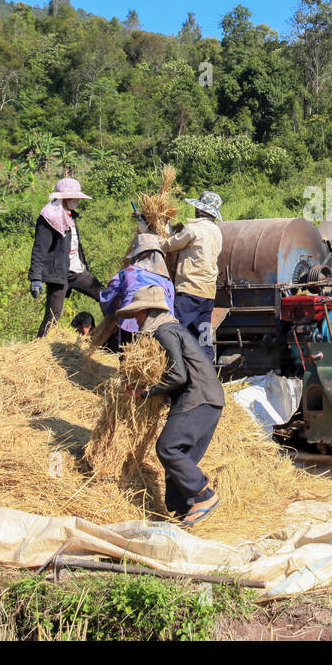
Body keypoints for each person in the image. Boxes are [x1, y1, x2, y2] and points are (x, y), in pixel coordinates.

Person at [126, 286, 224, 525]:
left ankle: (204, 494)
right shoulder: (174, 329)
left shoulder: (164, 331)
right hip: (210, 400)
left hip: (197, 397)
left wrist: (145, 393)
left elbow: (178, 376)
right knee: (178, 466)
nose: (135, 320)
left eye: (137, 314)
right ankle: (183, 514)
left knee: (168, 448)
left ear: (147, 311)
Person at [29, 177, 104, 337]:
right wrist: (35, 278)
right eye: (74, 197)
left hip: (77, 270)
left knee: (105, 296)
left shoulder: (70, 216)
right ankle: (40, 348)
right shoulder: (49, 218)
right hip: (58, 273)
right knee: (53, 315)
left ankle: (107, 336)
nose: (77, 201)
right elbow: (39, 249)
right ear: (64, 198)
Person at [157, 191, 223, 362]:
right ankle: (208, 371)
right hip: (208, 293)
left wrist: (157, 235)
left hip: (189, 290)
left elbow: (169, 245)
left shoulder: (193, 229)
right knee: (203, 336)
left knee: (174, 329)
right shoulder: (217, 232)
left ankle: (172, 367)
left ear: (200, 210)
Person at [96, 233, 176, 351]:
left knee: (127, 359)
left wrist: (110, 311)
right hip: (163, 327)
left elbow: (109, 297)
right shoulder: (167, 281)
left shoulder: (128, 273)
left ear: (138, 254)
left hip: (133, 322)